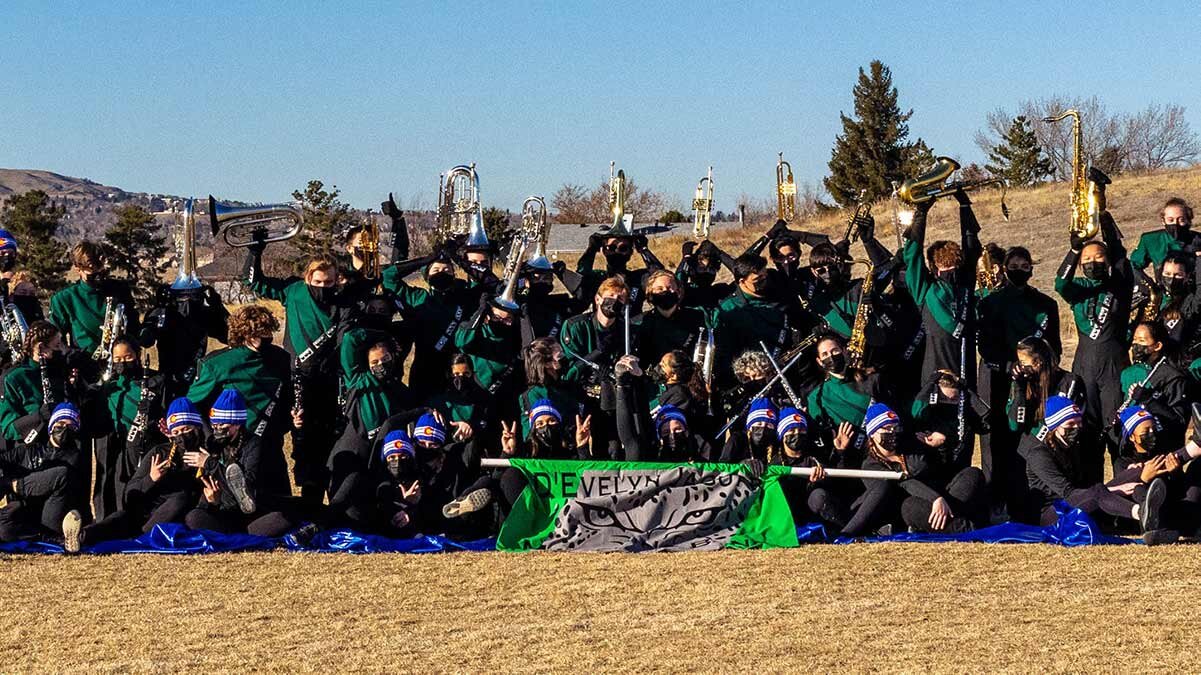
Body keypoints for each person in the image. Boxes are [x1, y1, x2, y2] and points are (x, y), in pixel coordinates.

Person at [243, 250, 350, 505]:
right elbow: (254, 281)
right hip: (298, 381)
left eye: (329, 282)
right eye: (317, 281)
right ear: (307, 278)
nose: (323, 287)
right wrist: (255, 250)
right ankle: (309, 506)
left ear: (337, 280)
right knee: (304, 447)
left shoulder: (344, 300)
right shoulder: (293, 291)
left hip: (332, 383)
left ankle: (337, 506)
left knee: (333, 444)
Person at [1054, 208, 1132, 482]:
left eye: (1099, 257)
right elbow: (1060, 283)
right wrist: (1075, 250)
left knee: (1117, 429)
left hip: (1114, 367)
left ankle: (1125, 486)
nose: (1093, 262)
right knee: (1086, 432)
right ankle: (1093, 492)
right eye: (1087, 259)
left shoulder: (1119, 284)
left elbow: (1120, 256)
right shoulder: (1078, 288)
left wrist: (1104, 215)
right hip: (1084, 366)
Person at [1017, 396, 1168, 538]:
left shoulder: (1074, 447)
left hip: (1079, 501)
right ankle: (1141, 512)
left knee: (1135, 473)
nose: (1076, 427)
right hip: (1049, 514)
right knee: (1099, 490)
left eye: (1079, 422)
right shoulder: (1039, 454)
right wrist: (1114, 490)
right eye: (1070, 424)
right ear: (1054, 427)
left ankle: (1154, 524)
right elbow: (1068, 493)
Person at [186, 305, 293, 499]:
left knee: (279, 500)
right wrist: (212, 436)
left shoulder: (281, 358)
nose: (263, 338)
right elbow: (192, 404)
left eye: (266, 332)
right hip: (232, 445)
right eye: (256, 333)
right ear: (243, 333)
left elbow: (286, 397)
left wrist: (287, 422)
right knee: (234, 500)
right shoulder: (217, 363)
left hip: (270, 442)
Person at [843, 403, 986, 536]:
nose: (892, 432)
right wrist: (935, 498)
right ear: (872, 434)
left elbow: (942, 471)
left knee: (972, 474)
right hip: (914, 506)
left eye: (895, 427)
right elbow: (904, 482)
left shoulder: (911, 446)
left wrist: (940, 448)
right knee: (910, 508)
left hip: (943, 497)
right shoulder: (870, 466)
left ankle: (954, 518)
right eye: (886, 428)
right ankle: (965, 528)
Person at [443, 400, 593, 525]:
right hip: (525, 515)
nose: (546, 427)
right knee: (491, 479)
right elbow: (499, 481)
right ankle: (461, 504)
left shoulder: (570, 451)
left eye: (551, 421)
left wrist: (582, 448)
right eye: (540, 423)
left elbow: (589, 482)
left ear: (559, 423)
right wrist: (507, 453)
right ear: (533, 427)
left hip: (563, 515)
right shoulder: (524, 451)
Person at [182, 389, 300, 538]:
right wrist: (213, 502)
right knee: (194, 517)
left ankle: (239, 536)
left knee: (283, 517)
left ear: (237, 424)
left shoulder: (255, 444)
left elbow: (246, 486)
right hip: (225, 510)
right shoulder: (213, 444)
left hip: (255, 512)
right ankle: (233, 535)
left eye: (222, 425)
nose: (217, 430)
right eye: (214, 425)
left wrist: (210, 463)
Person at [995, 337, 1086, 521]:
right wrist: (1020, 390)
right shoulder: (1023, 382)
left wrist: (1039, 442)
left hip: (1059, 451)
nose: (1020, 367)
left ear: (1037, 362)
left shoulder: (1069, 381)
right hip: (1029, 453)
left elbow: (1068, 424)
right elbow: (1014, 424)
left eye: (1023, 363)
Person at [82, 337, 167, 520]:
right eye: (117, 359)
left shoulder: (156, 380)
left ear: (138, 355)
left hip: (144, 443)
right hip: (114, 443)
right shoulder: (107, 385)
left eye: (128, 357)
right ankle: (106, 520)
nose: (122, 363)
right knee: (110, 484)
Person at [902, 191, 981, 385]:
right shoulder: (928, 289)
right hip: (940, 377)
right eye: (945, 264)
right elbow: (912, 255)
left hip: (961, 373)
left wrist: (964, 206)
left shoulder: (963, 283)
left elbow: (971, 243)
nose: (950, 268)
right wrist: (921, 215)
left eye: (954, 264)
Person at [560, 276, 638, 458]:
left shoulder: (628, 331)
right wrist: (596, 354)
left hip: (612, 398)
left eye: (620, 298)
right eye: (610, 296)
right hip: (580, 397)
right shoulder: (575, 326)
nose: (614, 301)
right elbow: (568, 371)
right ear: (597, 299)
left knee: (613, 450)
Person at [713, 253, 812, 388]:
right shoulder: (728, 309)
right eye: (758, 279)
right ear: (742, 281)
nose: (764, 280)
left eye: (765, 275)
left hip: (793, 364)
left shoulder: (777, 290)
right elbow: (726, 352)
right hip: (759, 377)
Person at [383, 253, 473, 395]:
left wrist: (460, 260)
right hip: (424, 371)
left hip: (457, 371)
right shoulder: (418, 298)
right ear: (427, 275)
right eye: (436, 270)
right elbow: (388, 277)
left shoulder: (464, 296)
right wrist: (423, 260)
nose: (442, 273)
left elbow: (483, 283)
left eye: (447, 270)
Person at [48, 242, 140, 377]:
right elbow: (55, 340)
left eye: (101, 269)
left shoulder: (119, 289)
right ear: (78, 268)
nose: (98, 274)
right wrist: (72, 357)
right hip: (85, 367)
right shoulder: (64, 298)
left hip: (121, 365)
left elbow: (134, 325)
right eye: (92, 270)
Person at [0, 404, 82, 548]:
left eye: (70, 426)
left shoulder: (74, 457)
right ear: (51, 426)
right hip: (22, 511)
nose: (64, 429)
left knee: (61, 474)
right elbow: (4, 460)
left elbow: (58, 478)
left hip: (50, 516)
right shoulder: (31, 449)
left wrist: (14, 484)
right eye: (60, 424)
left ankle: (49, 535)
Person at [139, 283, 229, 399]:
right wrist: (157, 314)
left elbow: (230, 336)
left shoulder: (202, 314)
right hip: (169, 378)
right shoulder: (164, 312)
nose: (187, 301)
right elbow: (145, 341)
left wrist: (218, 308)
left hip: (197, 376)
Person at [805, 334, 890, 455]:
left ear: (844, 351)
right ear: (819, 361)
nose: (831, 357)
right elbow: (822, 436)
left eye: (835, 351)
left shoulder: (871, 378)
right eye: (825, 354)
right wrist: (839, 450)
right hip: (858, 455)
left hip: (888, 445)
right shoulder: (816, 397)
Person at [1115, 321, 1190, 452]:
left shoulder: (1172, 377)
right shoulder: (1128, 373)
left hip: (1162, 447)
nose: (1136, 345)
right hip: (1132, 448)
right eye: (1134, 339)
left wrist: (1149, 399)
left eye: (1142, 340)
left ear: (1157, 346)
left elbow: (1179, 421)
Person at [575, 230, 664, 314]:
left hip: (632, 324)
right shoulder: (598, 278)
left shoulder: (638, 279)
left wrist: (644, 250)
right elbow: (580, 278)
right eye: (612, 247)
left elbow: (660, 276)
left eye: (623, 248)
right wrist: (591, 250)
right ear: (605, 251)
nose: (617, 251)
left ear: (630, 252)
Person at [637, 270, 707, 369]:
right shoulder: (642, 323)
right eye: (659, 289)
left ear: (679, 292)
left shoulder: (696, 317)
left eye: (670, 288)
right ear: (650, 294)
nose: (665, 291)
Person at [1129, 197, 1200, 280]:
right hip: (1162, 287)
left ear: (1188, 220)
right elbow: (1133, 265)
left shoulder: (1198, 240)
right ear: (1163, 221)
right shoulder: (1151, 240)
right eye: (1171, 220)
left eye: (1181, 220)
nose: (1175, 223)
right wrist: (1147, 285)